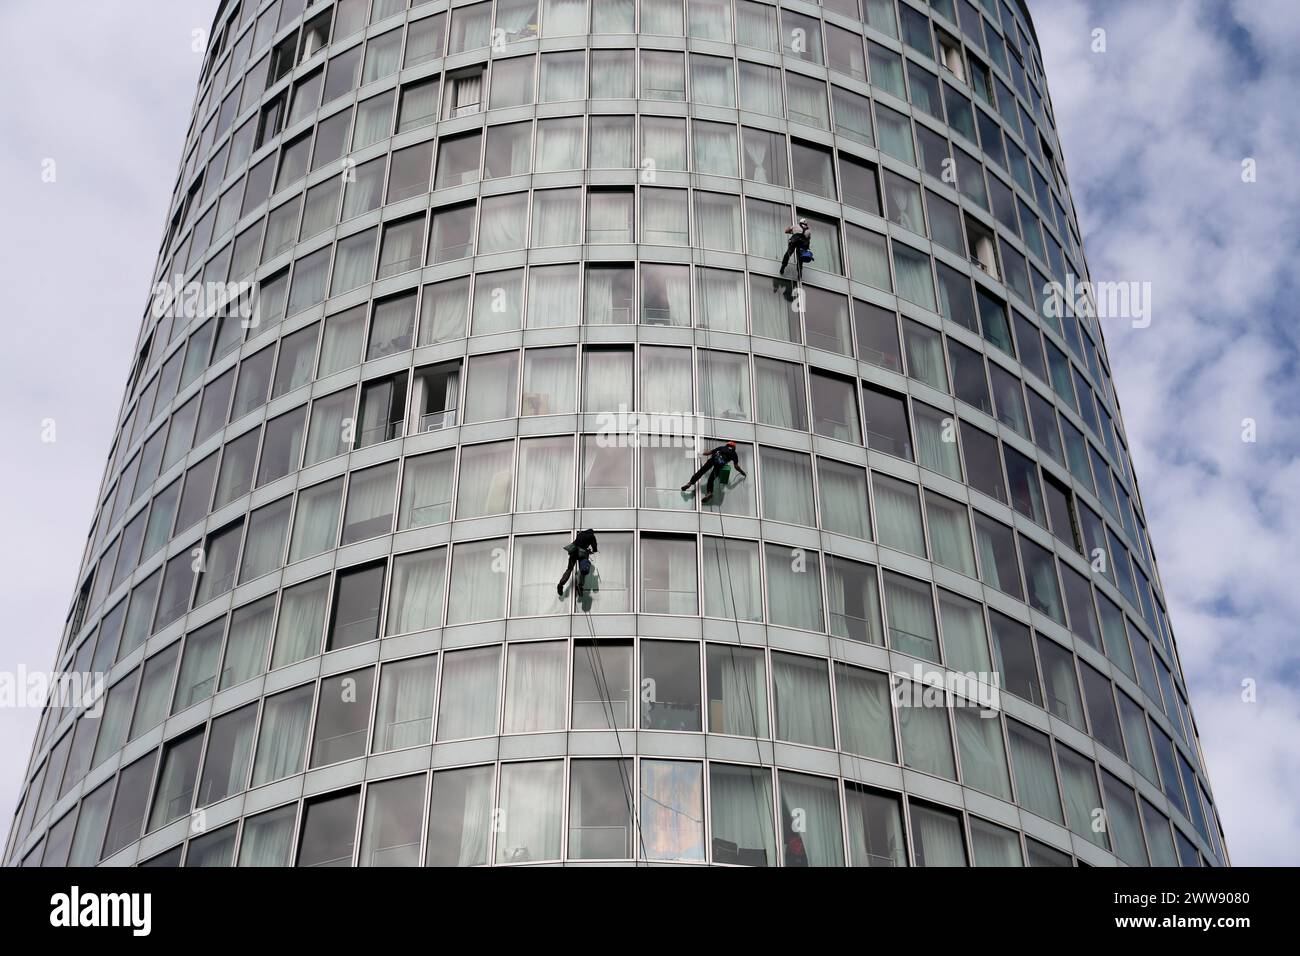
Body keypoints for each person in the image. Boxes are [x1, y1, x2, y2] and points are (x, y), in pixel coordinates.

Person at [681, 441, 748, 503]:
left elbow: (708, 453)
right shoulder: (734, 454)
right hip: (720, 465)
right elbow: (736, 466)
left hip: (713, 460)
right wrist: (742, 472)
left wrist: (700, 453)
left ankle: (689, 483)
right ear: (734, 447)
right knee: (711, 479)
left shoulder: (721, 448)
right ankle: (709, 493)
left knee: (701, 471)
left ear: (727, 445)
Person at [557, 528, 598, 597]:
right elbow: (594, 547)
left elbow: (578, 543)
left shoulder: (580, 534)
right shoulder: (592, 536)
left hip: (574, 551)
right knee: (583, 571)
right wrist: (593, 550)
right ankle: (580, 586)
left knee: (569, 569)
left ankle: (560, 584)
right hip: (582, 554)